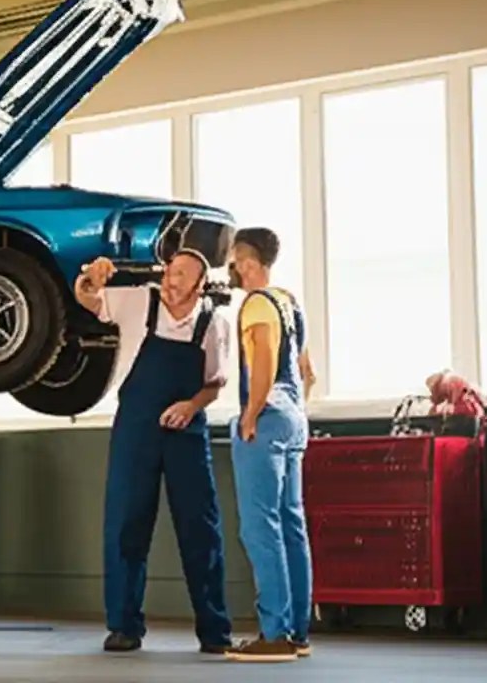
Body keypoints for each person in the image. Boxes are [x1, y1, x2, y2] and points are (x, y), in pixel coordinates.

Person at [74, 250, 233, 655]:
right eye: (169, 270)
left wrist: (191, 406)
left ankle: (215, 631)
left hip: (186, 432)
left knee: (201, 529)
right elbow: (87, 297)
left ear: (200, 285)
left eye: (181, 274)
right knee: (126, 523)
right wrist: (91, 276)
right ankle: (124, 627)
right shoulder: (138, 301)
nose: (170, 279)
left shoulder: (213, 322)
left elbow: (215, 383)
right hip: (136, 428)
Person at [223, 227, 316, 663]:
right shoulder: (289, 302)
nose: (234, 268)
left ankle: (273, 633)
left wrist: (250, 412)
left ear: (247, 260)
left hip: (267, 418)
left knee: (259, 527)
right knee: (291, 525)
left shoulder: (257, 304)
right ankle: (297, 631)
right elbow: (307, 373)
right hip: (295, 419)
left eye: (236, 260)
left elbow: (262, 356)